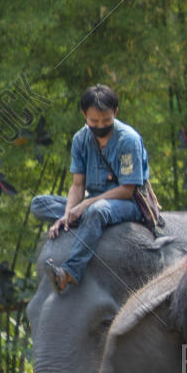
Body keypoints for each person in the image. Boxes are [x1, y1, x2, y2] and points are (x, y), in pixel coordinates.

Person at [42, 84, 150, 292]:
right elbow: (77, 184)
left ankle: (70, 272)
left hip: (127, 203)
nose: (100, 125)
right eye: (94, 121)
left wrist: (85, 205)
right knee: (40, 203)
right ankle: (81, 220)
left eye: (106, 121)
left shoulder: (129, 140)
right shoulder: (80, 139)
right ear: (84, 114)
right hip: (91, 200)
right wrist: (67, 214)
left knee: (97, 210)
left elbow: (127, 190)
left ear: (115, 113)